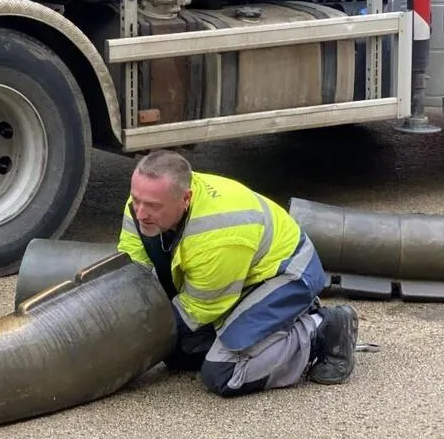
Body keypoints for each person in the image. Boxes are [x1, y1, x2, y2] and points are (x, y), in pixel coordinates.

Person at [116, 149, 359, 397]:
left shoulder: (216, 233)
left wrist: (138, 337)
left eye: (153, 206)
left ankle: (322, 328)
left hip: (284, 276)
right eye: (136, 200)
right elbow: (135, 266)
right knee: (181, 354)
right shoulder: (142, 202)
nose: (141, 212)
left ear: (185, 198)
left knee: (224, 372)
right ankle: (267, 326)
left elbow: (198, 309)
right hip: (231, 278)